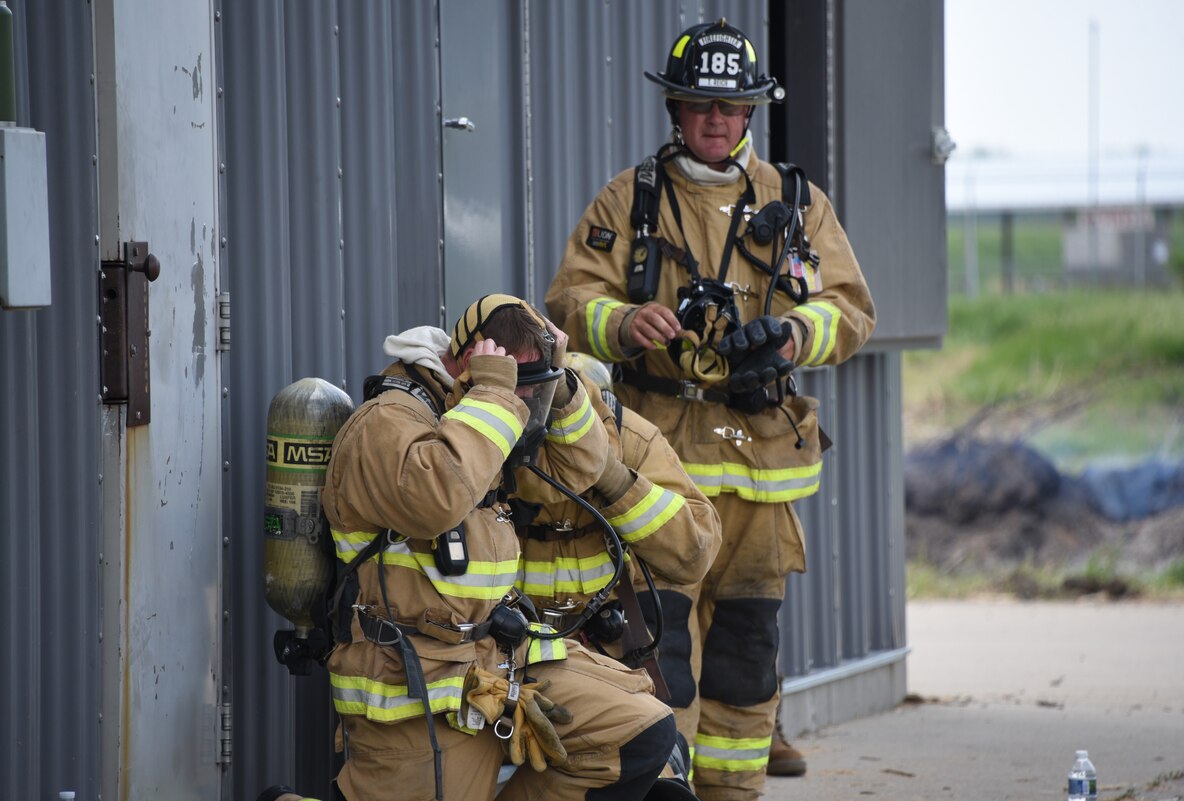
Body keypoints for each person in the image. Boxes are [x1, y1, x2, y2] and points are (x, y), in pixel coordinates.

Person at [545, 20, 876, 801]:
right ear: (677, 110)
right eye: (699, 105)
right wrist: (625, 323)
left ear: (753, 111)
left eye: (730, 108)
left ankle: (734, 793)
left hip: (766, 469)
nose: (715, 121)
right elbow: (570, 298)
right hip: (663, 461)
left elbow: (853, 310)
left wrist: (795, 334)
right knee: (660, 648)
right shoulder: (632, 199)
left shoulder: (797, 204)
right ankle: (670, 791)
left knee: (746, 652)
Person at [321, 294, 677, 801]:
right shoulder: (386, 422)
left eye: (533, 396)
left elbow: (579, 472)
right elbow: (436, 498)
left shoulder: (477, 414)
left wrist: (562, 386)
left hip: (496, 660)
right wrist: (493, 393)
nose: (526, 413)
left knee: (643, 732)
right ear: (468, 366)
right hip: (417, 684)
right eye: (521, 394)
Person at [512, 351, 721, 772]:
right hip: (511, 649)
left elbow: (694, 551)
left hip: (607, 645)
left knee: (657, 751)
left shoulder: (633, 438)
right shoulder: (499, 436)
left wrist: (611, 477)